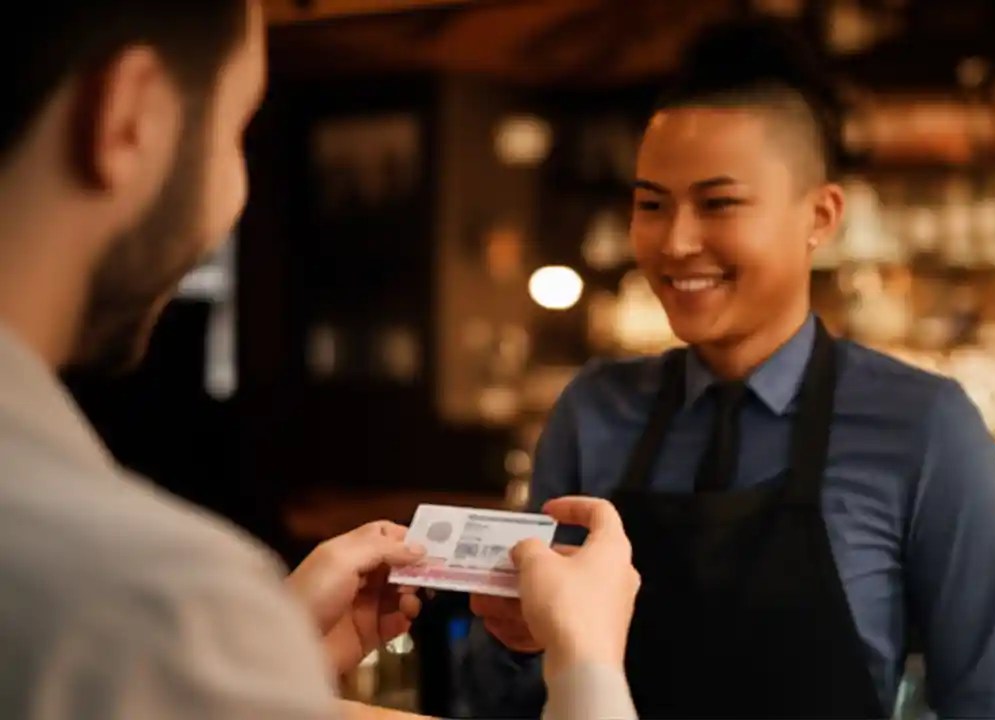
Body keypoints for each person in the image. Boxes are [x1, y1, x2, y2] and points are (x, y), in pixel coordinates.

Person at [0, 2, 638, 719]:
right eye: (236, 130)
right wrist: (586, 660)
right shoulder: (149, 600)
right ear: (130, 115)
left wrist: (273, 657)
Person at [464, 20, 995, 720]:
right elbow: (505, 699)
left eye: (718, 203)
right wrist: (516, 640)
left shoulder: (925, 427)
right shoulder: (596, 410)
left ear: (820, 216)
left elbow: (988, 705)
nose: (675, 242)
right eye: (651, 204)